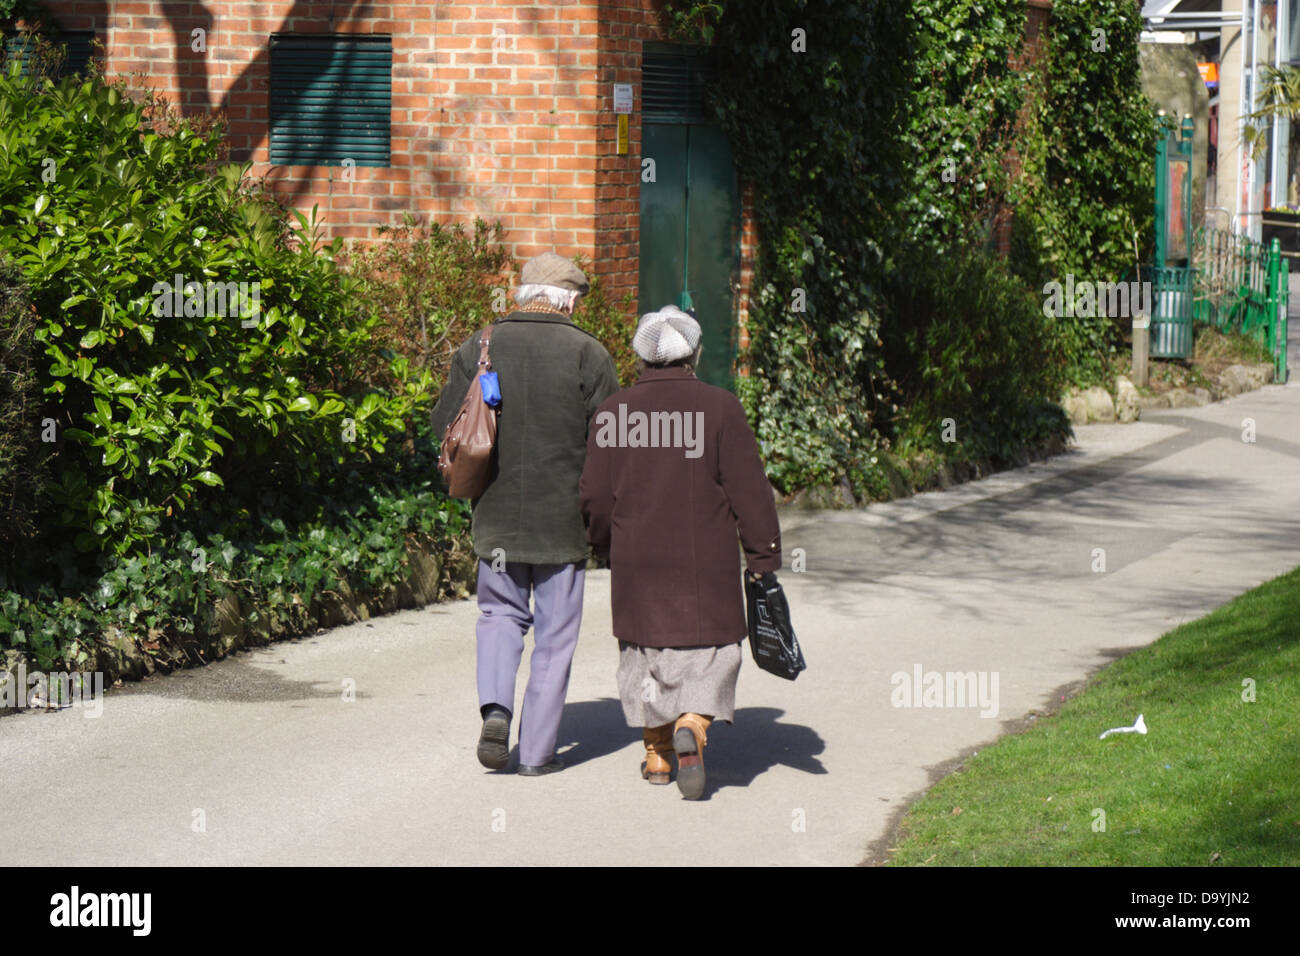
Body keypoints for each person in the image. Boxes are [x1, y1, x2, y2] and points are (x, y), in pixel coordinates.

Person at [579, 305, 782, 799]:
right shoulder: (720, 408)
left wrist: (605, 545)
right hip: (705, 567)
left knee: (644, 658)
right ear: (693, 352)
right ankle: (693, 721)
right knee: (712, 655)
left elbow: (595, 496)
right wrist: (762, 557)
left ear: (641, 356)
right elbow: (749, 492)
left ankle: (657, 754)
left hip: (637, 562)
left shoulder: (614, 413)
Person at [430, 253, 619, 775]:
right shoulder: (589, 353)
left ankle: (496, 710)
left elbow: (443, 425)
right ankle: (536, 753)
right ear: (572, 300)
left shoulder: (481, 344)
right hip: (563, 524)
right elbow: (612, 447)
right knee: (555, 637)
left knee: (498, 617)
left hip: (495, 518)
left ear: (521, 293)